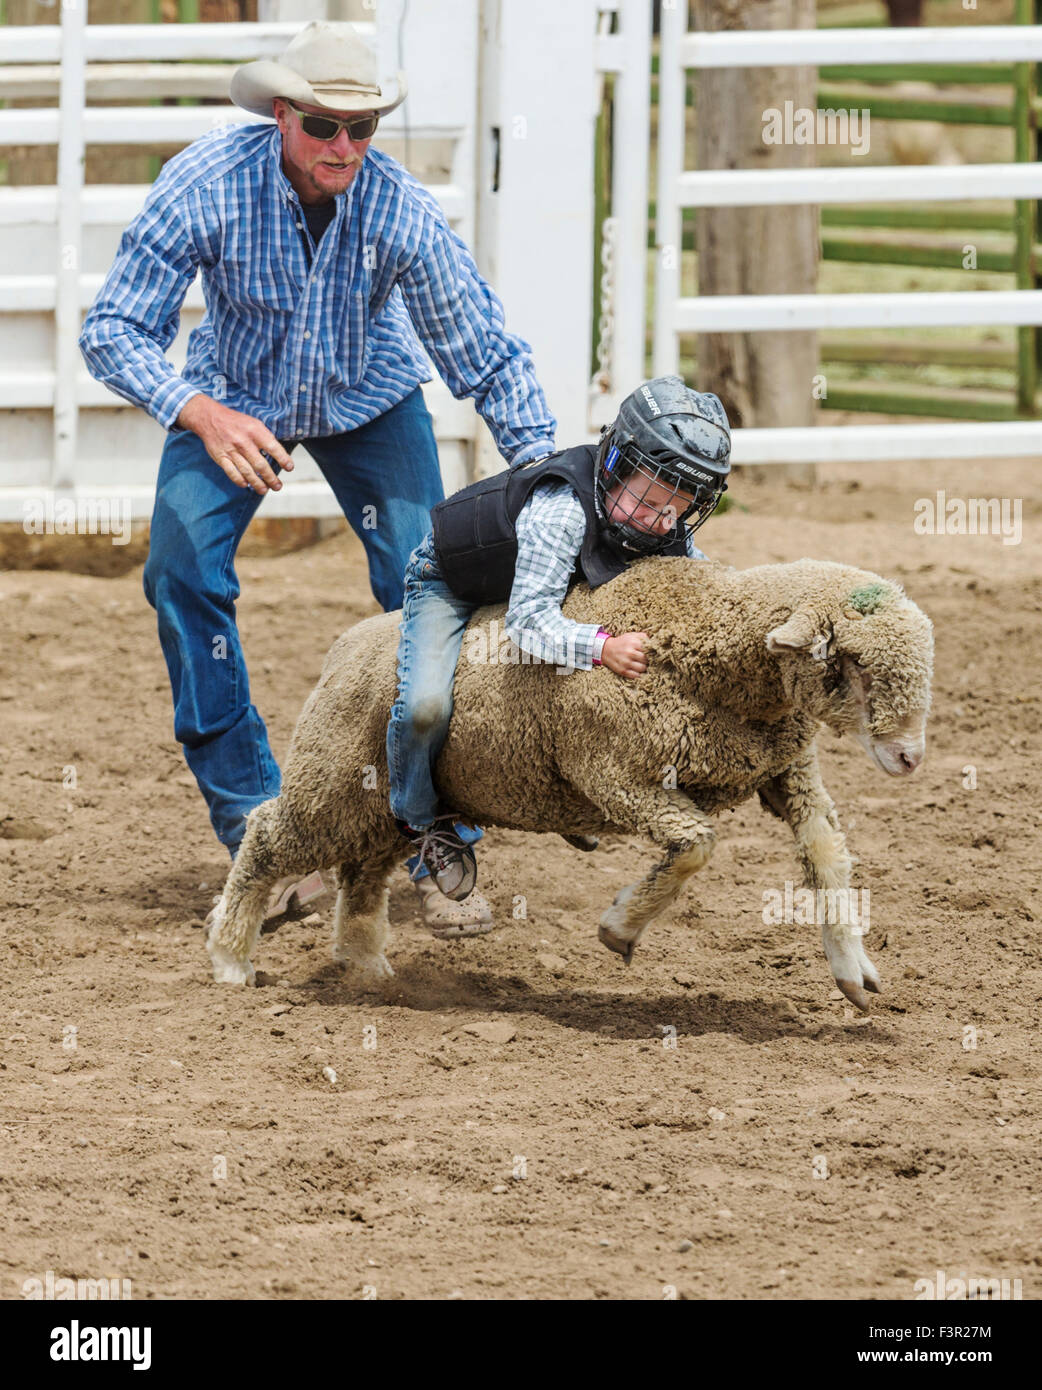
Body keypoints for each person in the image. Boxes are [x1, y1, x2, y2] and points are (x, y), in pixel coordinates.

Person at [78, 22, 557, 935]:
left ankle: (434, 835)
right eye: (325, 126)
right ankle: (262, 826)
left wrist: (542, 468)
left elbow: (486, 353)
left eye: (363, 128)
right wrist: (200, 412)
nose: (344, 146)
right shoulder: (206, 183)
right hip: (230, 400)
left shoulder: (400, 211)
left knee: (428, 583)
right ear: (283, 115)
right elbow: (112, 330)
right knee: (180, 575)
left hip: (368, 397)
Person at [387, 376, 731, 909]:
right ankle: (419, 820)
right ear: (618, 463)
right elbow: (526, 623)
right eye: (652, 499)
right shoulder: (563, 509)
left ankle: (564, 796)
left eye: (679, 507)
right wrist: (601, 646)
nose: (662, 520)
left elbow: (700, 587)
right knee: (424, 708)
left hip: (551, 581)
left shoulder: (657, 521)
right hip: (456, 580)